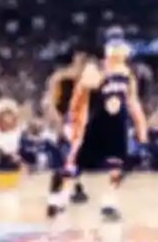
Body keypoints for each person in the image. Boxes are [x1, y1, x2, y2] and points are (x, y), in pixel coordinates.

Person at [62, 33, 148, 222]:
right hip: (94, 123)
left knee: (117, 167)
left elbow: (133, 102)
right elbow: (78, 98)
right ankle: (75, 189)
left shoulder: (127, 77)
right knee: (77, 163)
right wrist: (72, 121)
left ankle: (109, 203)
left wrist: (142, 127)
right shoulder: (94, 71)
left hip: (116, 127)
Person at [43, 51, 92, 210]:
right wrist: (58, 124)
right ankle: (55, 200)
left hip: (75, 126)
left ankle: (68, 194)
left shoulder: (86, 83)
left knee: (72, 164)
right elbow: (49, 104)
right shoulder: (60, 79)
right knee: (62, 164)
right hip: (60, 125)